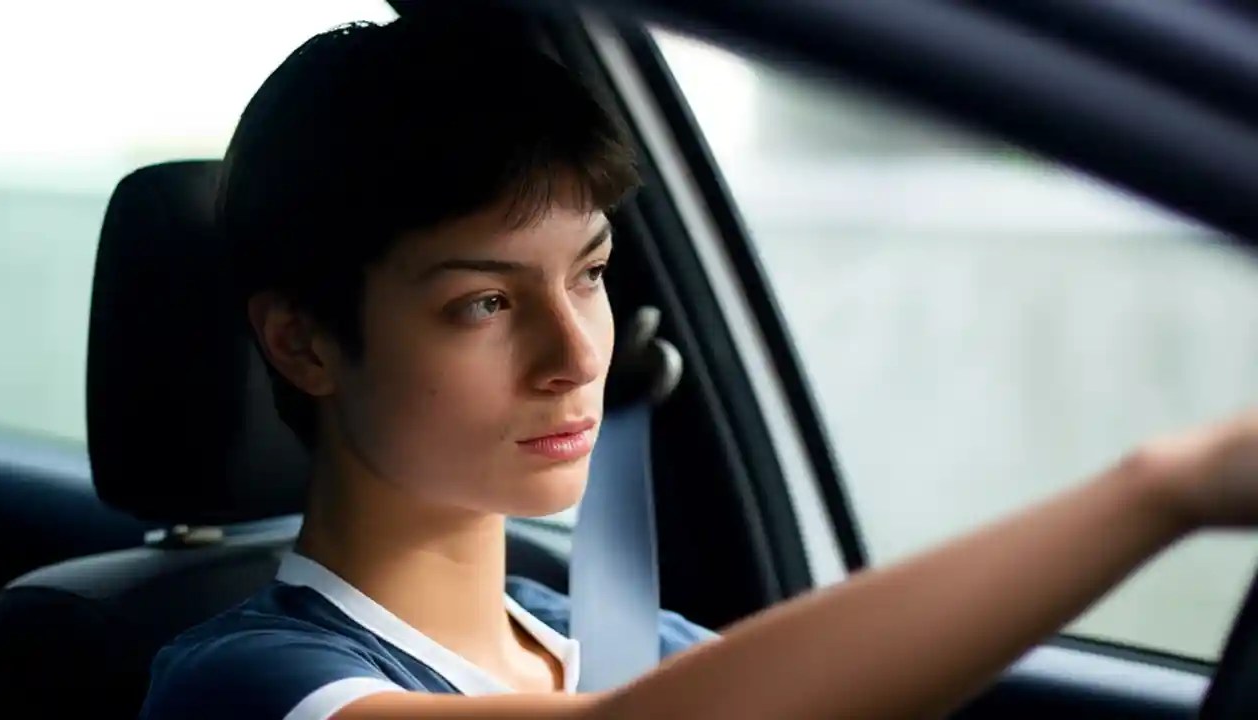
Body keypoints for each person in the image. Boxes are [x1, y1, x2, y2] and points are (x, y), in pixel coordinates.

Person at [139, 10, 1258, 720]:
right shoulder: (246, 685)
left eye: (587, 274)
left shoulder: (628, 639)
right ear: (304, 342)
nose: (577, 352)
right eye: (482, 302)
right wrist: (1164, 488)